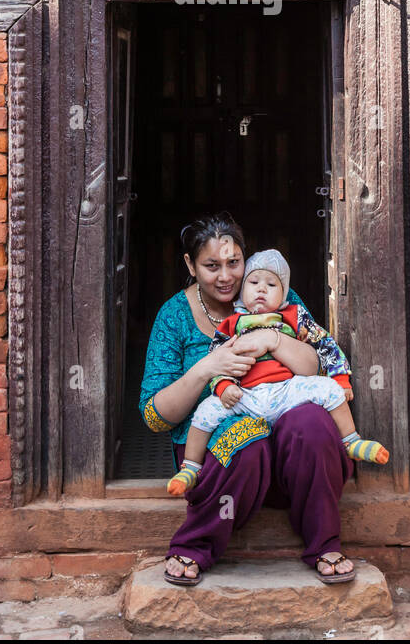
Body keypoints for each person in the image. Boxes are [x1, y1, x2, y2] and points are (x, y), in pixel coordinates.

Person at [139, 213, 365, 588]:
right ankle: (196, 544)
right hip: (219, 468)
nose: (226, 276)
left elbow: (318, 368)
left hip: (286, 467)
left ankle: (324, 542)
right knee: (246, 434)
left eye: (234, 263)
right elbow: (154, 416)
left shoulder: (275, 293)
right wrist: (208, 368)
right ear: (190, 266)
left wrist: (275, 341)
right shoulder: (173, 317)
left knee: (312, 421)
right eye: (211, 266)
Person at [166, 249, 388, 496]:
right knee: (205, 412)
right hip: (245, 396)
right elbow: (217, 360)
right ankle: (191, 468)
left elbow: (324, 343)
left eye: (271, 284)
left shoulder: (294, 316)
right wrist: (223, 386)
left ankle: (351, 441)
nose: (261, 289)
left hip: (287, 390)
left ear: (284, 294)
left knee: (330, 390)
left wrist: (340, 378)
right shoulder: (232, 324)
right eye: (253, 282)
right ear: (242, 290)